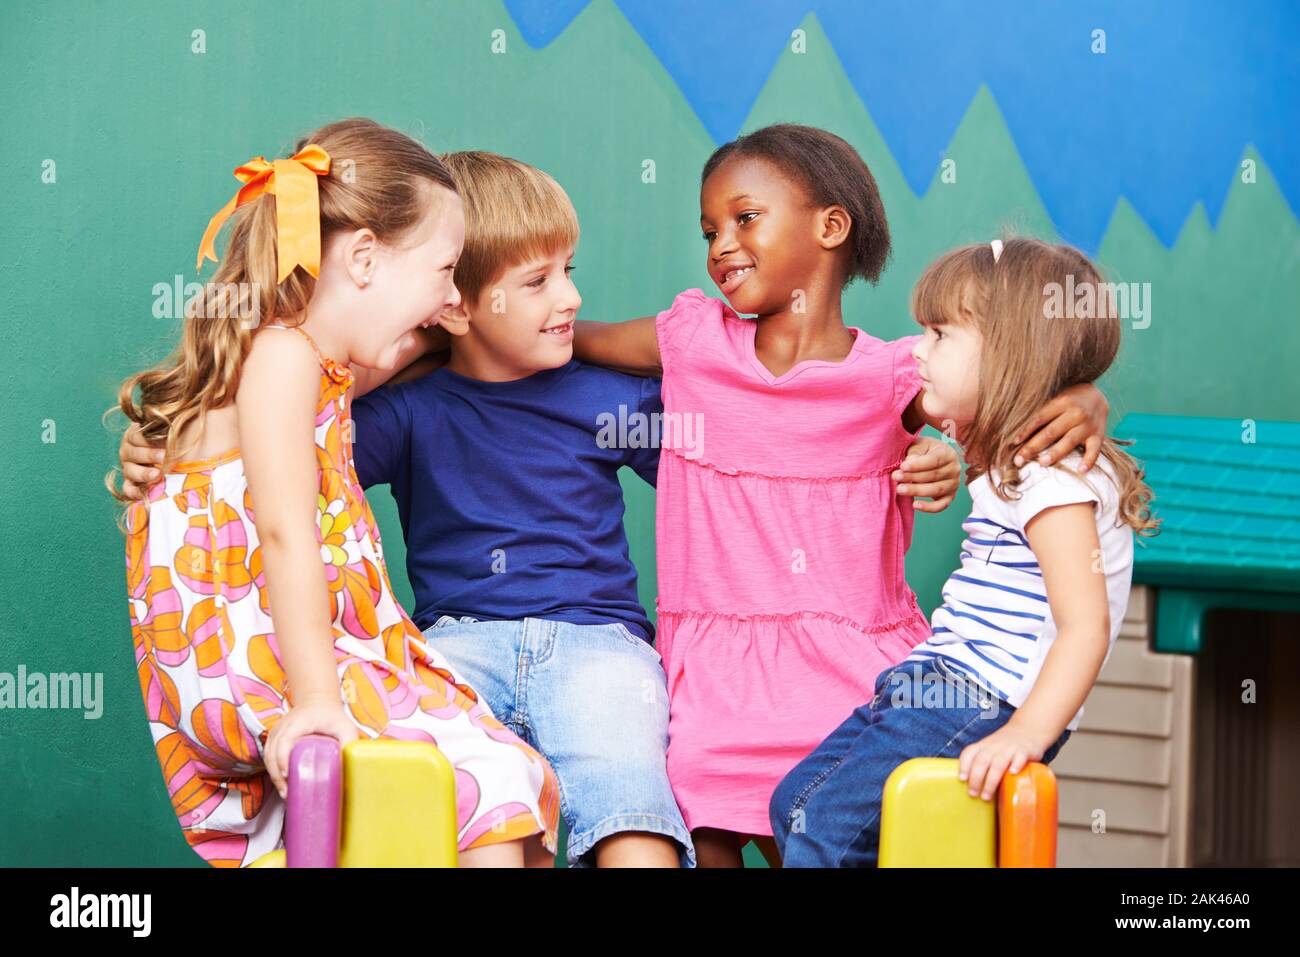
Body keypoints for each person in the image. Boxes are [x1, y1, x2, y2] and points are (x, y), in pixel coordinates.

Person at [572, 124, 1111, 866]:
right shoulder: (691, 342)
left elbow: (1013, 375)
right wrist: (453, 327)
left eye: (745, 217)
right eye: (709, 230)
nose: (720, 244)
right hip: (717, 675)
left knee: (843, 824)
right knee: (700, 816)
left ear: (831, 226)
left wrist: (1083, 395)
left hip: (854, 672)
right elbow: (564, 336)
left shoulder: (896, 377)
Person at [108, 119, 559, 868]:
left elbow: (425, 344)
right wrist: (318, 702)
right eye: (445, 269)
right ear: (360, 258)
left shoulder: (312, 357)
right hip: (270, 664)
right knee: (489, 773)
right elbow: (285, 532)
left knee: (510, 776)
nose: (451, 294)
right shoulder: (283, 356)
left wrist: (453, 311)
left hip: (282, 652)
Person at [770, 237, 1159, 866]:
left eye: (940, 334)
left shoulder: (1053, 475)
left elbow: (1085, 625)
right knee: (794, 806)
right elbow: (927, 404)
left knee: (821, 831)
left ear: (1011, 354)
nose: (918, 349)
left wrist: (1029, 732)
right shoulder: (1016, 455)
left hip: (984, 695)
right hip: (934, 682)